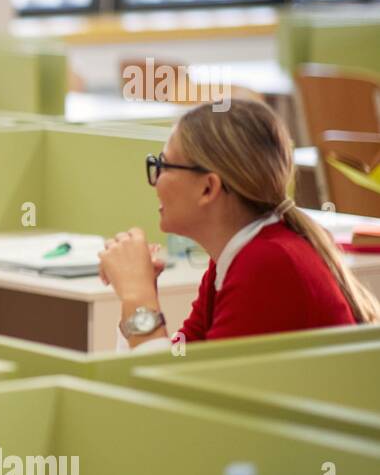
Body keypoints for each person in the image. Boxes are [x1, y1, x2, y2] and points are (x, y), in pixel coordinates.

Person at [99, 98, 379, 348]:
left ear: (208, 188)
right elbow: (177, 367)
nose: (156, 181)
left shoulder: (267, 264)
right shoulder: (234, 258)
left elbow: (180, 396)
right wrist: (136, 298)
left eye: (164, 166)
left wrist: (139, 297)